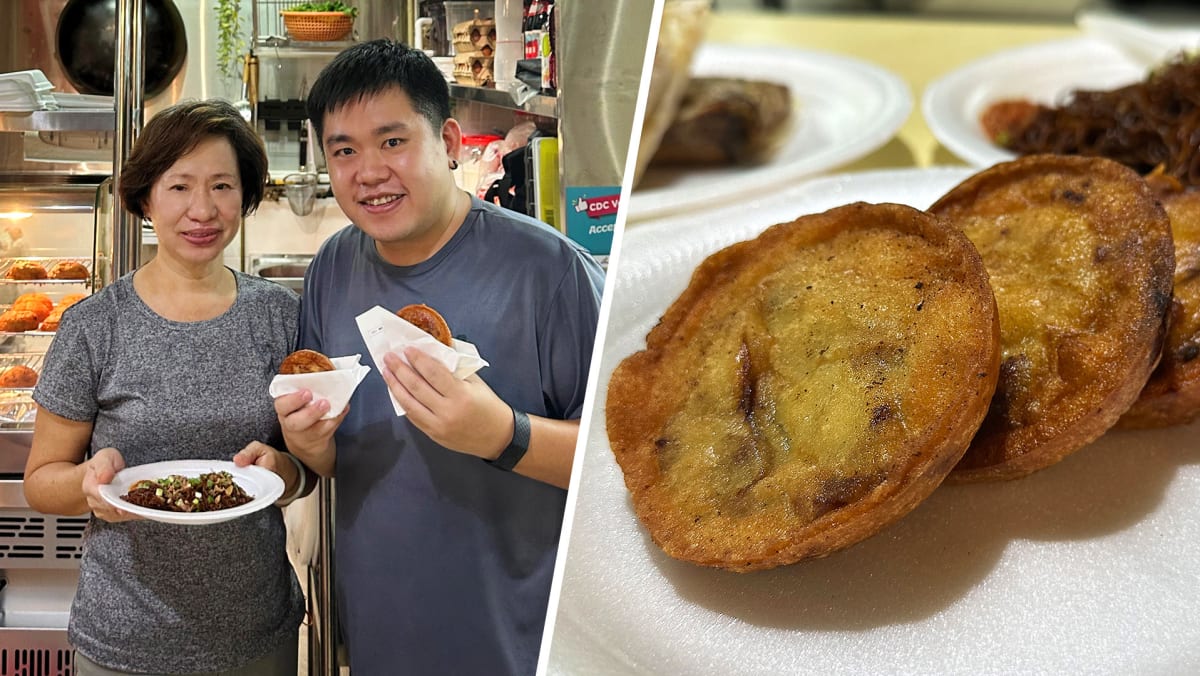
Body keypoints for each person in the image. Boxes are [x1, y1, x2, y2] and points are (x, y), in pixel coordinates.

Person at [274, 39, 604, 674]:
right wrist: (307, 442)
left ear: (449, 143)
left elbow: (623, 461)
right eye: (344, 150)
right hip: (383, 634)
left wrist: (503, 434)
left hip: (520, 640)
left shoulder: (549, 272)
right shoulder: (334, 267)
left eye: (393, 142)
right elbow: (336, 457)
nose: (368, 171)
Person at [23, 99, 313, 675]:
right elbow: (39, 483)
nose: (202, 210)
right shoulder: (95, 324)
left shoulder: (281, 316)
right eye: (179, 186)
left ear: (246, 195)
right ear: (146, 196)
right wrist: (87, 483)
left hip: (257, 631)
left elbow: (308, 469)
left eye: (223, 186)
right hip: (124, 637)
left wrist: (286, 472)